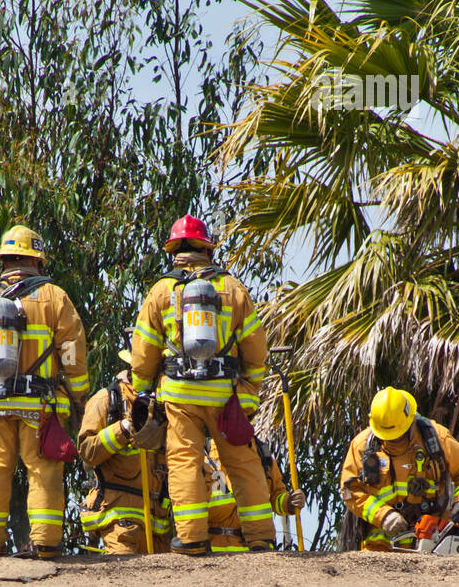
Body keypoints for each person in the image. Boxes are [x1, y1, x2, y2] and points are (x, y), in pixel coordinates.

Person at [131, 215, 275, 556]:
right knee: (242, 462)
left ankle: (193, 538)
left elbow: (143, 351)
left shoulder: (161, 291)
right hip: (225, 394)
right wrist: (248, 394)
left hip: (180, 392)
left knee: (183, 461)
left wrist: (142, 390)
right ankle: (260, 538)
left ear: (174, 251)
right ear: (207, 249)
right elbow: (256, 347)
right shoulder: (233, 288)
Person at [0, 224, 89, 558]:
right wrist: (78, 395)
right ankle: (45, 543)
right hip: (39, 405)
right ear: (38, 262)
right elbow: (72, 352)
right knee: (43, 469)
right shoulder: (54, 297)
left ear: (3, 262)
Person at [340, 387, 459, 551]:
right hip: (380, 545)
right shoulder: (362, 447)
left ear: (411, 420)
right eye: (387, 437)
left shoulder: (435, 438)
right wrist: (383, 515)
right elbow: (349, 491)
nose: (393, 441)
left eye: (397, 436)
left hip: (431, 538)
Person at [78, 339, 171, 553]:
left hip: (158, 529)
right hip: (119, 523)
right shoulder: (108, 400)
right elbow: (87, 452)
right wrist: (125, 428)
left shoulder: (167, 402)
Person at [208, 435, 305, 553]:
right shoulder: (203, 458)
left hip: (256, 548)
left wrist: (289, 502)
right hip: (213, 548)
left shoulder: (263, 458)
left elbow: (276, 496)